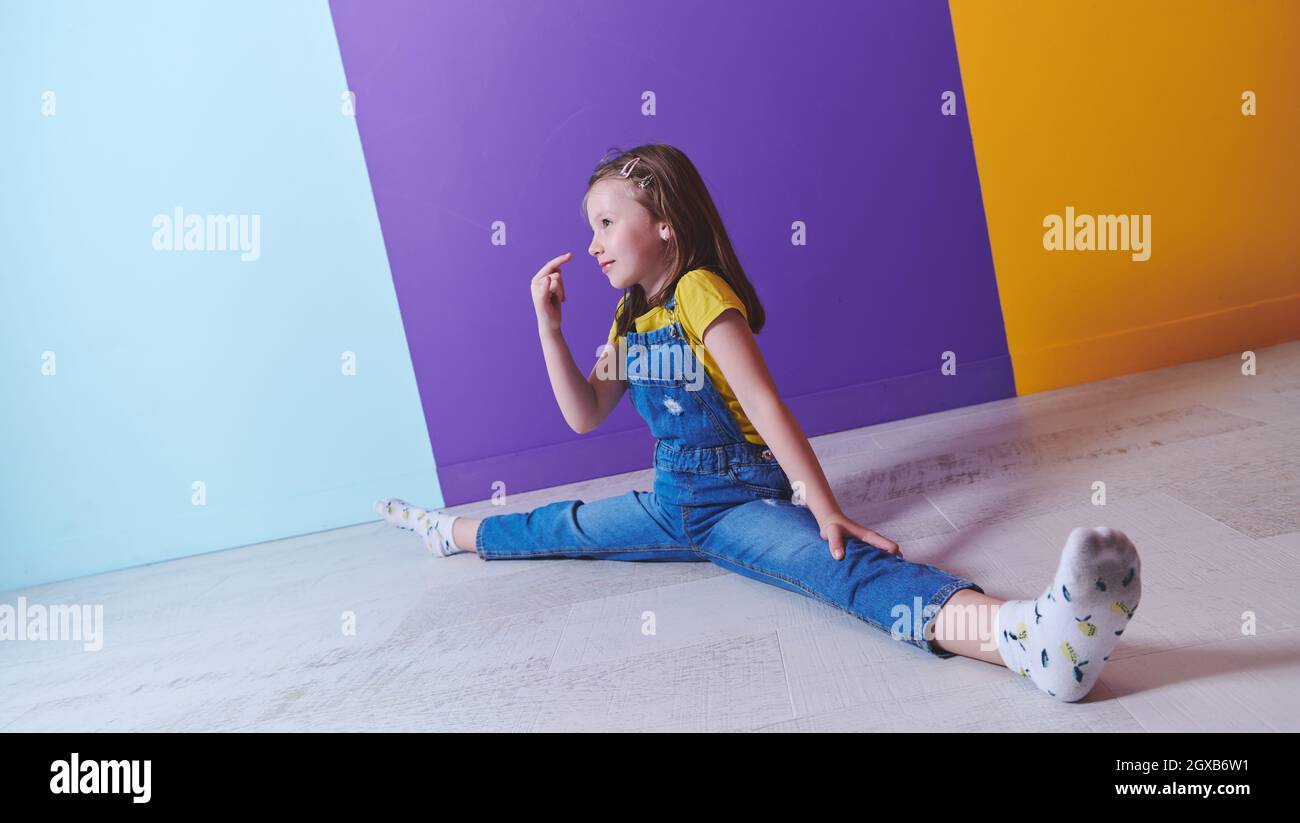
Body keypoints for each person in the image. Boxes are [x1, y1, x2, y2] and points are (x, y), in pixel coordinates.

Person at [375, 144, 1141, 703]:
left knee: (837, 570)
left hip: (742, 501)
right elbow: (584, 415)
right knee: (561, 528)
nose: (594, 242)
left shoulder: (703, 293)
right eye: (591, 227)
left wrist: (823, 504)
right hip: (673, 503)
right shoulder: (626, 317)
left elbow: (768, 405)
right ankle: (449, 531)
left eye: (608, 222)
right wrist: (547, 327)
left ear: (665, 223)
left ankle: (1031, 638)